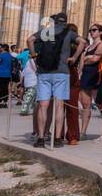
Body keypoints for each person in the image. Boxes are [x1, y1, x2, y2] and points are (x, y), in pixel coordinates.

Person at [30, 14, 78, 149]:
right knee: (59, 106)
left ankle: (40, 138)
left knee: (43, 106)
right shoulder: (69, 33)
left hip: (44, 72)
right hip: (61, 72)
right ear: (66, 22)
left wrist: (34, 55)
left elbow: (30, 40)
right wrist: (74, 57)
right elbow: (83, 42)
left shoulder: (46, 31)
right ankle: (57, 139)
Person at [74, 24, 102, 138]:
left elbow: (95, 60)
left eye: (94, 30)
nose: (91, 32)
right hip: (86, 76)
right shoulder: (88, 47)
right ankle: (83, 132)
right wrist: (86, 60)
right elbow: (82, 62)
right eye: (90, 30)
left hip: (96, 76)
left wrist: (86, 58)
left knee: (100, 104)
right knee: (85, 104)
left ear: (100, 32)